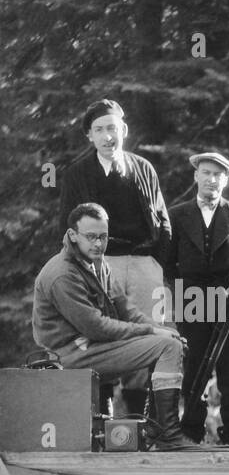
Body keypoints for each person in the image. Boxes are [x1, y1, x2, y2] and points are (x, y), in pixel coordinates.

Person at [33, 203, 197, 451]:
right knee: (167, 348)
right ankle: (170, 437)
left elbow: (125, 309)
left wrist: (159, 329)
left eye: (103, 237)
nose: (98, 244)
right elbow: (96, 327)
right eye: (91, 237)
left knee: (170, 342)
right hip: (70, 356)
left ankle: (155, 429)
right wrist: (152, 332)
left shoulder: (97, 263)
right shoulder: (62, 274)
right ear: (73, 235)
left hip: (94, 346)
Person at [164, 150, 229, 445]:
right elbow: (167, 260)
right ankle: (190, 431)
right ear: (196, 176)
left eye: (217, 174)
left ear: (225, 180)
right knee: (193, 370)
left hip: (227, 300)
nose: (211, 180)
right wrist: (179, 294)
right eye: (206, 173)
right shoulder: (176, 214)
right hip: (190, 299)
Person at [58, 99, 171, 323]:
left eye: (112, 128)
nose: (107, 136)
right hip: (100, 265)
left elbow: (163, 221)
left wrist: (157, 264)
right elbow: (67, 227)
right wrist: (82, 270)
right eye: (99, 130)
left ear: (124, 130)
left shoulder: (144, 168)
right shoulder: (76, 174)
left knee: (154, 336)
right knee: (107, 336)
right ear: (90, 135)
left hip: (144, 265)